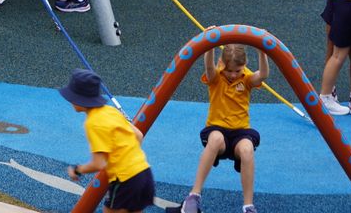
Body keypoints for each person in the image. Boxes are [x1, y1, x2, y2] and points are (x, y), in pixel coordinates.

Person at [172, 43, 269, 213]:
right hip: (218, 130)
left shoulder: (246, 78)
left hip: (240, 132)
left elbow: (263, 74)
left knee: (247, 149)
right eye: (229, 70)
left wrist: (262, 51)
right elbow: (209, 67)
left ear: (244, 66)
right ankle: (194, 196)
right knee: (216, 138)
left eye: (237, 71)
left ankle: (248, 205)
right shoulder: (216, 77)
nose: (232, 75)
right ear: (222, 65)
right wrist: (210, 46)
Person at [59, 68, 155, 213]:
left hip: (125, 180)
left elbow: (98, 164)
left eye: (72, 97)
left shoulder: (93, 123)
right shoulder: (111, 111)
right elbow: (138, 135)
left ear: (81, 100)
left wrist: (77, 170)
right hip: (144, 172)